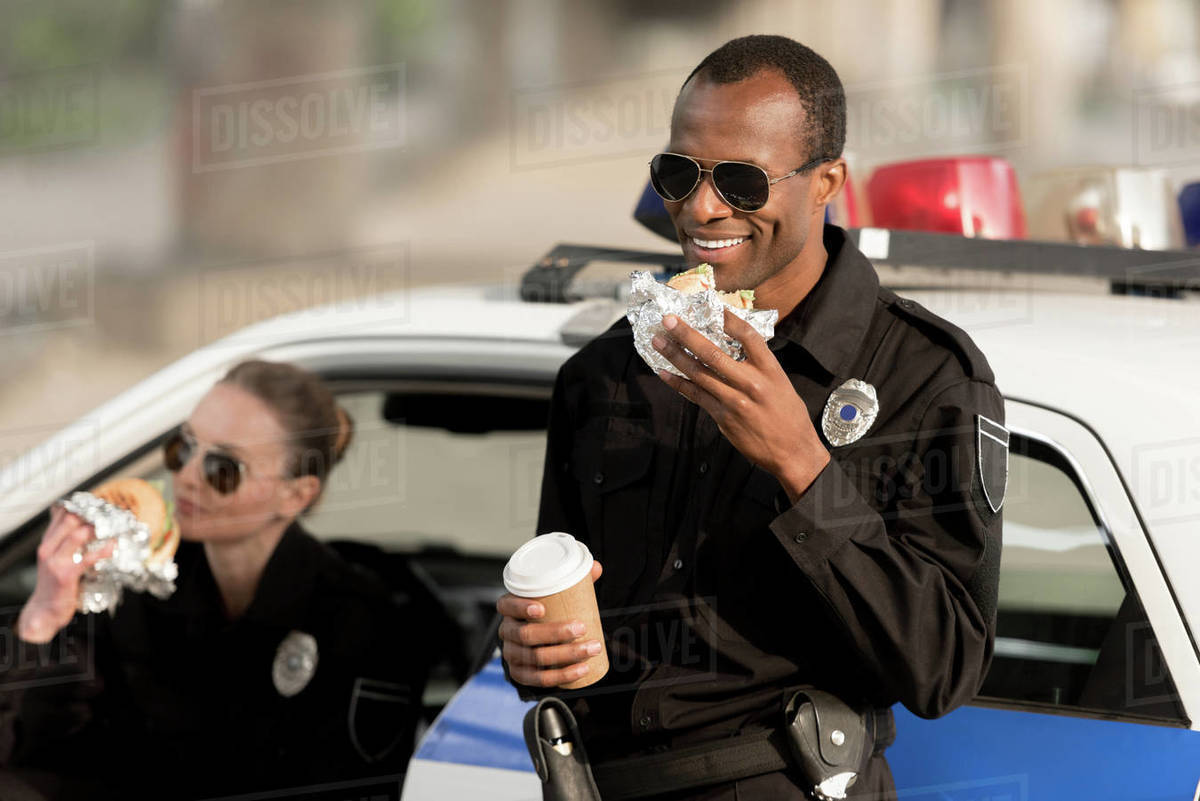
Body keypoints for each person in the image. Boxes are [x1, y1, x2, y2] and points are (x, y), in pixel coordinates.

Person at [497, 35, 1006, 800]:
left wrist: (805, 469)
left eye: (740, 181)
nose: (702, 208)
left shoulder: (924, 372)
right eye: (678, 174)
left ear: (827, 179)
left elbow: (946, 667)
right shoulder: (604, 372)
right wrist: (524, 646)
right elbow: (563, 604)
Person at [4, 360, 431, 801]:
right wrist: (42, 622)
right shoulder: (138, 587)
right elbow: (46, 759)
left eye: (224, 467)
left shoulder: (359, 623)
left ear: (295, 494)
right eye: (182, 448)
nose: (186, 477)